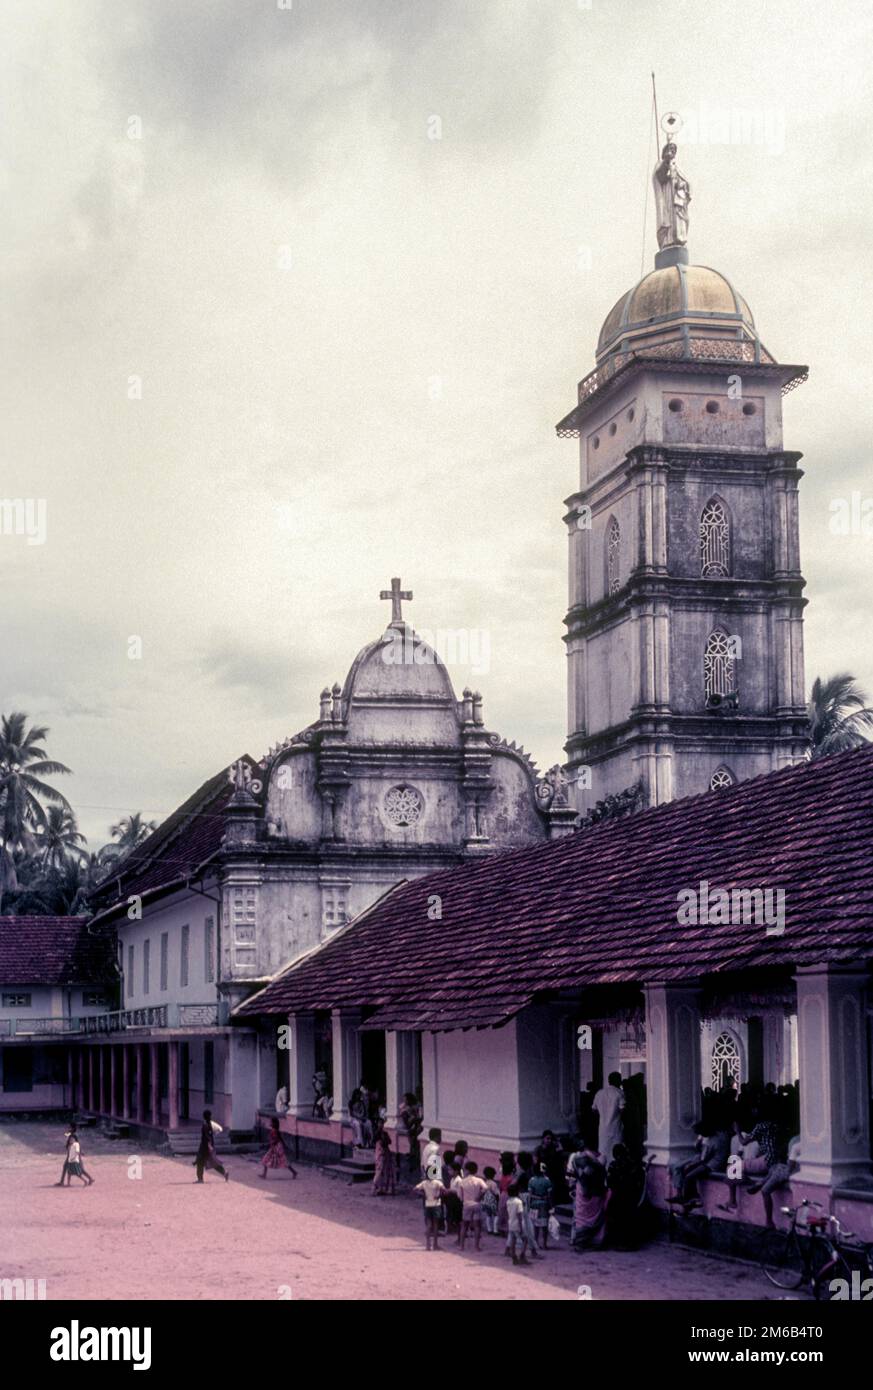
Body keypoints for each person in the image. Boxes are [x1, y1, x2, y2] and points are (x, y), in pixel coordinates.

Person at [669, 1126, 729, 1208]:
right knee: (687, 1171)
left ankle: (689, 1199)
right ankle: (692, 1197)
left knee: (688, 1177)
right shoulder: (719, 1135)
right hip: (713, 1162)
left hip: (712, 1165)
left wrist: (692, 1164)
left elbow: (703, 1159)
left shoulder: (711, 1142)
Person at [567, 1141, 606, 1250]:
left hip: (583, 1191)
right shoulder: (602, 1158)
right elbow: (601, 1171)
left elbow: (574, 1173)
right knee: (596, 1216)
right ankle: (596, 1242)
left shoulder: (577, 1158)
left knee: (581, 1217)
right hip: (596, 1191)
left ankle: (581, 1242)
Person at [453, 1160, 488, 1251]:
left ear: (467, 1170)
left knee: (464, 1225)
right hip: (476, 1204)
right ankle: (476, 1246)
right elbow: (485, 1188)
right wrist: (479, 1196)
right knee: (477, 1226)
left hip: (466, 1204)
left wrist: (463, 1199)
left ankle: (462, 1246)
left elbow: (459, 1195)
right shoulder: (479, 1180)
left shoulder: (462, 1182)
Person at [593, 1072, 625, 1164]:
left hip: (603, 1129)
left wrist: (603, 1114)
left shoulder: (599, 1093)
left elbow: (594, 1110)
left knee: (603, 1151)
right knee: (616, 1152)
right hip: (616, 1128)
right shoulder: (620, 1093)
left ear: (609, 1081)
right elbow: (623, 1110)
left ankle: (604, 1173)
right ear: (618, 1081)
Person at [533, 1129, 568, 1205]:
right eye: (547, 1138)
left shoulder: (553, 1147)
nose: (549, 1140)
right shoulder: (539, 1149)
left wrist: (557, 1142)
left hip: (554, 1171)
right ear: (543, 1138)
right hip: (543, 1170)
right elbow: (536, 1162)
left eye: (551, 1139)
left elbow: (561, 1152)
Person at [414, 1172, 447, 1251]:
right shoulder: (438, 1182)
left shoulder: (424, 1183)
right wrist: (439, 1196)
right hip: (436, 1204)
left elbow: (415, 1189)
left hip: (428, 1204)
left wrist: (422, 1194)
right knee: (435, 1225)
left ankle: (428, 1244)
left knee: (428, 1225)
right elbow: (444, 1190)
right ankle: (435, 1244)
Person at [195, 1109, 229, 1183]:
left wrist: (209, 1146)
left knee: (200, 1162)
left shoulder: (205, 1125)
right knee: (213, 1162)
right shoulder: (210, 1124)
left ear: (203, 1116)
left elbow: (207, 1137)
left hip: (205, 1147)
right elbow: (217, 1131)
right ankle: (224, 1173)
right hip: (209, 1146)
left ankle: (200, 1179)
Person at [505, 1183, 535, 1265]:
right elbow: (519, 1215)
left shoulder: (508, 1201)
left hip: (511, 1223)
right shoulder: (518, 1202)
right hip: (518, 1223)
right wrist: (521, 1227)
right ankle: (522, 1255)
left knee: (513, 1241)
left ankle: (514, 1257)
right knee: (525, 1239)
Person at [528, 1163, 554, 1249]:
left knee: (536, 1225)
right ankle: (544, 1244)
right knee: (544, 1225)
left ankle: (536, 1242)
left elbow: (530, 1195)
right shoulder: (547, 1180)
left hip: (534, 1204)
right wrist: (551, 1206)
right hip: (544, 1204)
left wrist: (528, 1206)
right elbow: (550, 1196)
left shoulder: (531, 1180)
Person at [398, 1093, 423, 1175]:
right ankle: (413, 1165)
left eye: (406, 1099)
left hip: (416, 1129)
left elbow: (419, 1117)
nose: (405, 1101)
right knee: (413, 1147)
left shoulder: (414, 1108)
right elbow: (407, 1122)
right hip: (411, 1130)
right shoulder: (405, 1110)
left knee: (416, 1147)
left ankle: (415, 1164)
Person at [372, 1131, 396, 1196]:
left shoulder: (384, 1133)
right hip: (380, 1154)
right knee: (379, 1171)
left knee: (386, 1171)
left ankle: (383, 1189)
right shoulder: (377, 1135)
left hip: (385, 1154)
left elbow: (389, 1141)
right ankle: (376, 1188)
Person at [481, 1166, 500, 1235]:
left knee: (488, 1215)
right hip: (493, 1201)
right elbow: (496, 1193)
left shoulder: (484, 1182)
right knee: (496, 1215)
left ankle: (489, 1229)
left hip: (486, 1201)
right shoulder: (494, 1184)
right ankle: (495, 1230)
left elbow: (482, 1192)